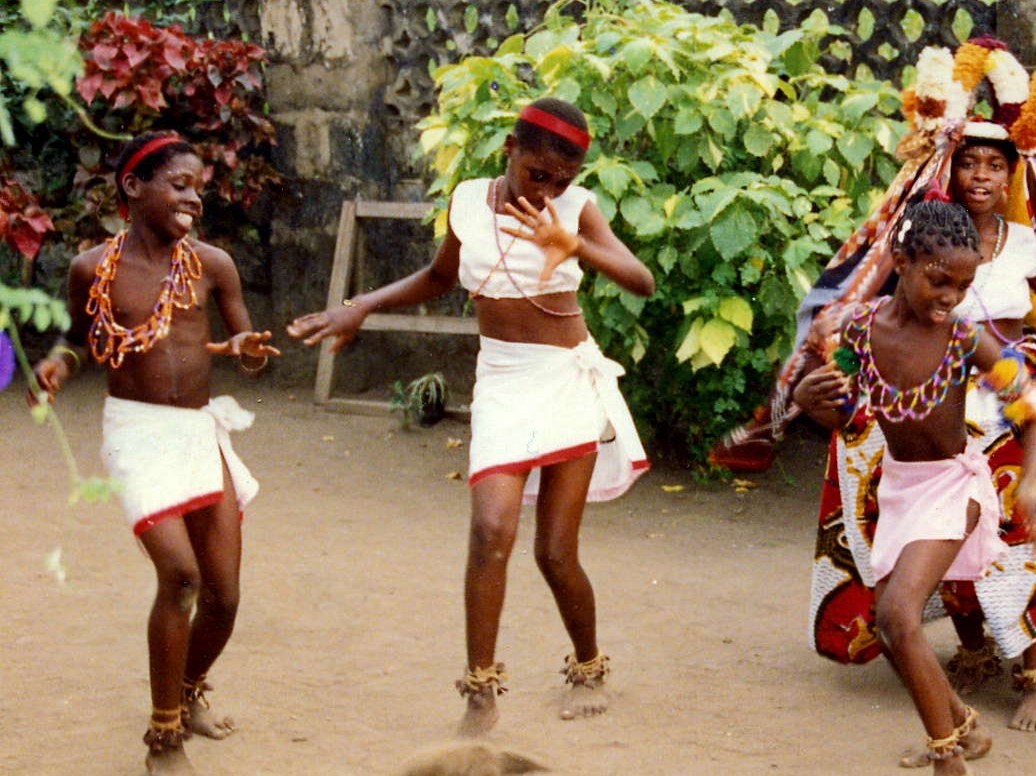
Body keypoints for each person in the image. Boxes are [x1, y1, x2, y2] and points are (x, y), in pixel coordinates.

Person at [804, 39, 1036, 741]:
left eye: (994, 165)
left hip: (1001, 385)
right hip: (934, 397)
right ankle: (966, 649)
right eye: (967, 162)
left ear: (1012, 175)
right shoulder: (916, 254)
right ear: (948, 167)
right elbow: (860, 345)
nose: (979, 175)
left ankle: (1034, 672)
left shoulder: (1023, 245)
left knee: (1013, 537)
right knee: (904, 507)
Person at [287, 97, 654, 735]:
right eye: (537, 174)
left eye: (561, 179)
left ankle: (589, 665)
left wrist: (572, 243)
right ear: (510, 148)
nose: (547, 189)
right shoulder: (465, 201)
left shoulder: (576, 208)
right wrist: (361, 305)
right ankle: (480, 694)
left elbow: (640, 279)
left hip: (566, 382)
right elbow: (439, 276)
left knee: (555, 554)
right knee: (489, 531)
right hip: (504, 384)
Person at [31, 131, 280, 776]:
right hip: (136, 434)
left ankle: (189, 690)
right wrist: (58, 364)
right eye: (179, 185)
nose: (194, 198)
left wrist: (250, 352)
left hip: (197, 432)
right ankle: (163, 738)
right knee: (181, 576)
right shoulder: (92, 268)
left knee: (224, 597)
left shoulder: (212, 265)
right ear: (134, 187)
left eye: (199, 188)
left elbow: (246, 346)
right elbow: (76, 339)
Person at [795, 191, 1036, 775]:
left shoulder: (965, 338)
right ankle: (963, 727)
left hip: (953, 487)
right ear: (901, 262)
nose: (951, 298)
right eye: (939, 281)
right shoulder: (860, 332)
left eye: (963, 286)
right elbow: (841, 412)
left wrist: (1031, 481)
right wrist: (810, 398)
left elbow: (1031, 408)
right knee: (889, 629)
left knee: (897, 616)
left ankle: (948, 759)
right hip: (900, 488)